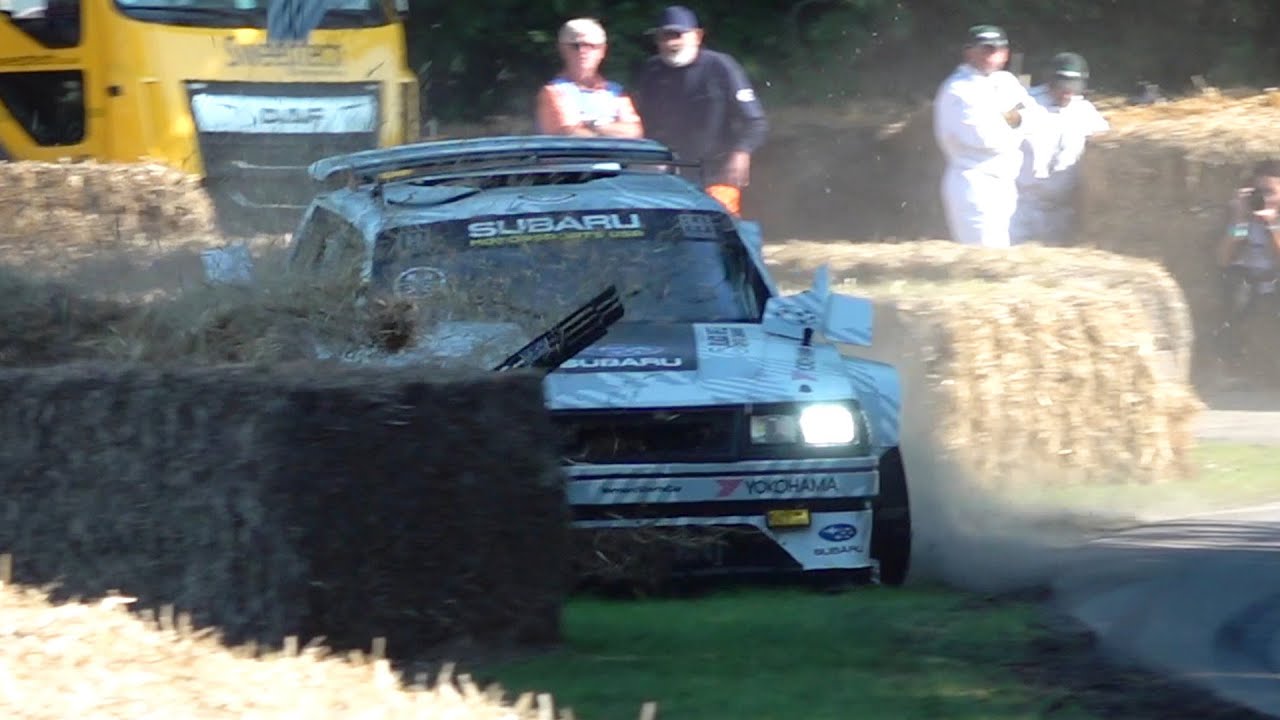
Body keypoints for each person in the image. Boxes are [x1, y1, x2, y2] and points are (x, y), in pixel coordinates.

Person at [631, 5, 768, 217]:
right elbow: (638, 124)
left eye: (676, 34)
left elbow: (755, 121)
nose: (669, 42)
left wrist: (741, 152)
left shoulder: (721, 67)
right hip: (664, 177)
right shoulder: (651, 71)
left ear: (697, 36)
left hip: (716, 175)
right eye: (663, 36)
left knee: (721, 230)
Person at [932, 24, 1044, 248]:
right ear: (969, 52)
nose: (992, 54)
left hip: (1007, 184)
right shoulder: (957, 89)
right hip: (974, 183)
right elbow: (985, 139)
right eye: (985, 49)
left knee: (1004, 255)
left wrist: (1009, 120)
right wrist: (1016, 120)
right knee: (984, 255)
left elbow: (1035, 116)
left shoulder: (1006, 81)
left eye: (998, 49)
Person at [1010, 52, 1110, 246]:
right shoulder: (1026, 104)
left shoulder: (1085, 111)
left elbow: (1106, 145)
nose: (1068, 91)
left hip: (1060, 211)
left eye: (1075, 85)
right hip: (1020, 207)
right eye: (1062, 84)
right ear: (1050, 81)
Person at [1210, 160, 1280, 386]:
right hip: (1248, 280)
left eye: (1270, 192)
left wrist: (1271, 225)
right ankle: (1230, 363)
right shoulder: (1243, 216)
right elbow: (1222, 259)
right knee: (1231, 292)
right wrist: (1240, 220)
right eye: (1259, 192)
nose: (1263, 198)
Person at [534, 18, 643, 138]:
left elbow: (634, 131)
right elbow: (571, 134)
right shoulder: (553, 92)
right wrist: (612, 127)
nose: (583, 51)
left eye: (591, 45)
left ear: (602, 50)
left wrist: (592, 125)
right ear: (562, 49)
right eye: (575, 46)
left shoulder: (615, 92)